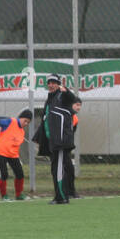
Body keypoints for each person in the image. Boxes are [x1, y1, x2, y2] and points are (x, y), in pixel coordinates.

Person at [37, 74, 78, 204]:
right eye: (49, 83)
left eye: (54, 82)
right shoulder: (50, 99)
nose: (51, 85)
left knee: (59, 169)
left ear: (59, 84)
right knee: (56, 168)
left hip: (60, 142)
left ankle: (61, 197)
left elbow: (74, 99)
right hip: (52, 142)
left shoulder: (62, 96)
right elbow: (45, 120)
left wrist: (66, 90)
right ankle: (61, 195)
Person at [0, 109, 32, 200]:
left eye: (28, 122)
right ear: (20, 118)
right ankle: (4, 196)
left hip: (13, 154)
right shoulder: (10, 121)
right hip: (1, 152)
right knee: (4, 174)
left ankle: (19, 194)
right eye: (25, 120)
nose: (26, 123)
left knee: (20, 174)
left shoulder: (22, 132)